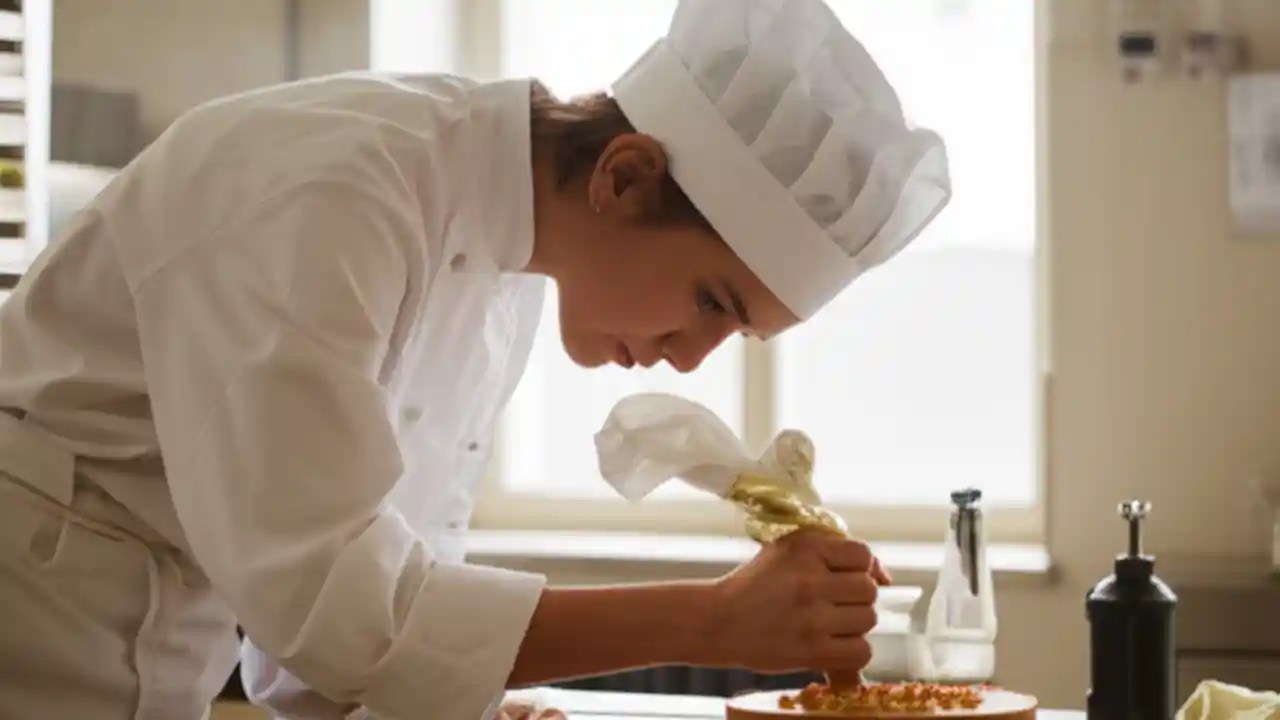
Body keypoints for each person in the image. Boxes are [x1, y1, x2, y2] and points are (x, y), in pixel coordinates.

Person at [0, 0, 949, 718]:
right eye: (709, 300)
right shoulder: (333, 195)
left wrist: (471, 700)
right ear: (625, 176)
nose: (693, 360)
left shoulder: (512, 266)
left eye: (734, 334)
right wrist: (711, 619)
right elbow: (340, 608)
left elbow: (363, 603)